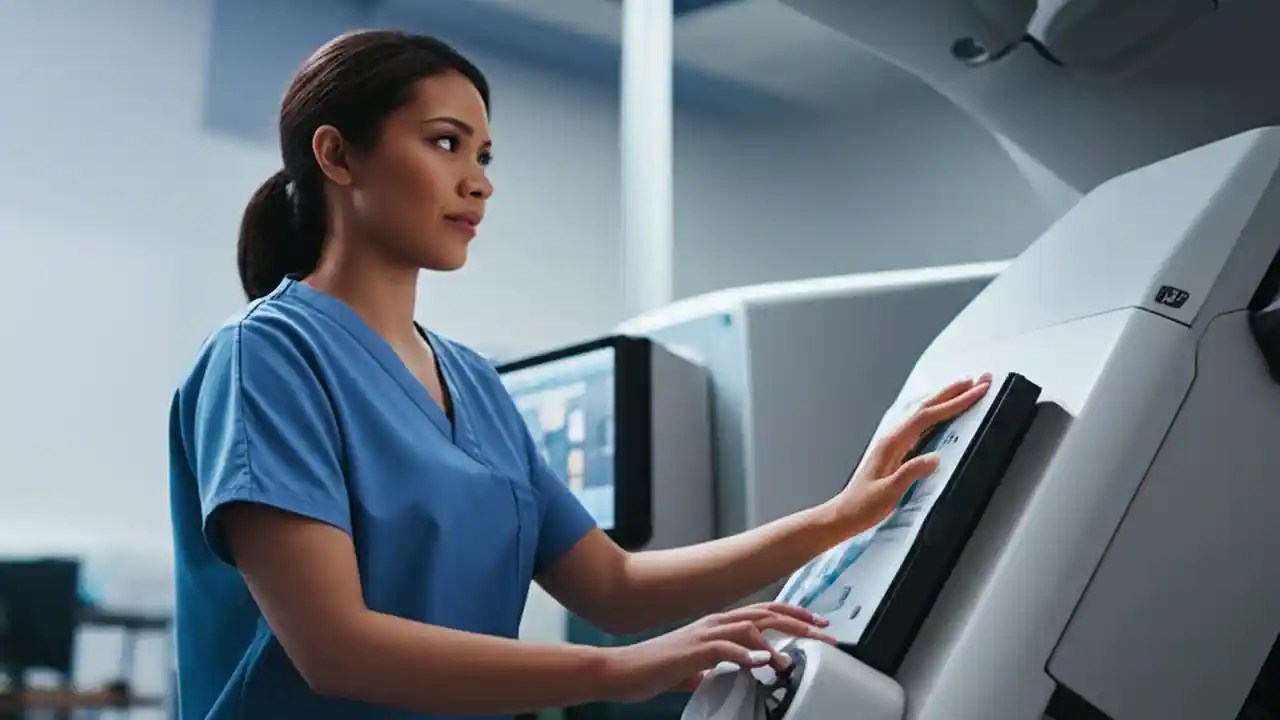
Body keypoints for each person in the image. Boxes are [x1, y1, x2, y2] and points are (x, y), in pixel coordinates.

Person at [167, 29, 992, 720]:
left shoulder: (475, 382)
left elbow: (612, 585)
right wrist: (625, 670)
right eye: (445, 142)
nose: (479, 181)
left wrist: (841, 518)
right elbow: (337, 650)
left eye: (485, 154)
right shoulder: (265, 358)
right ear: (337, 156)